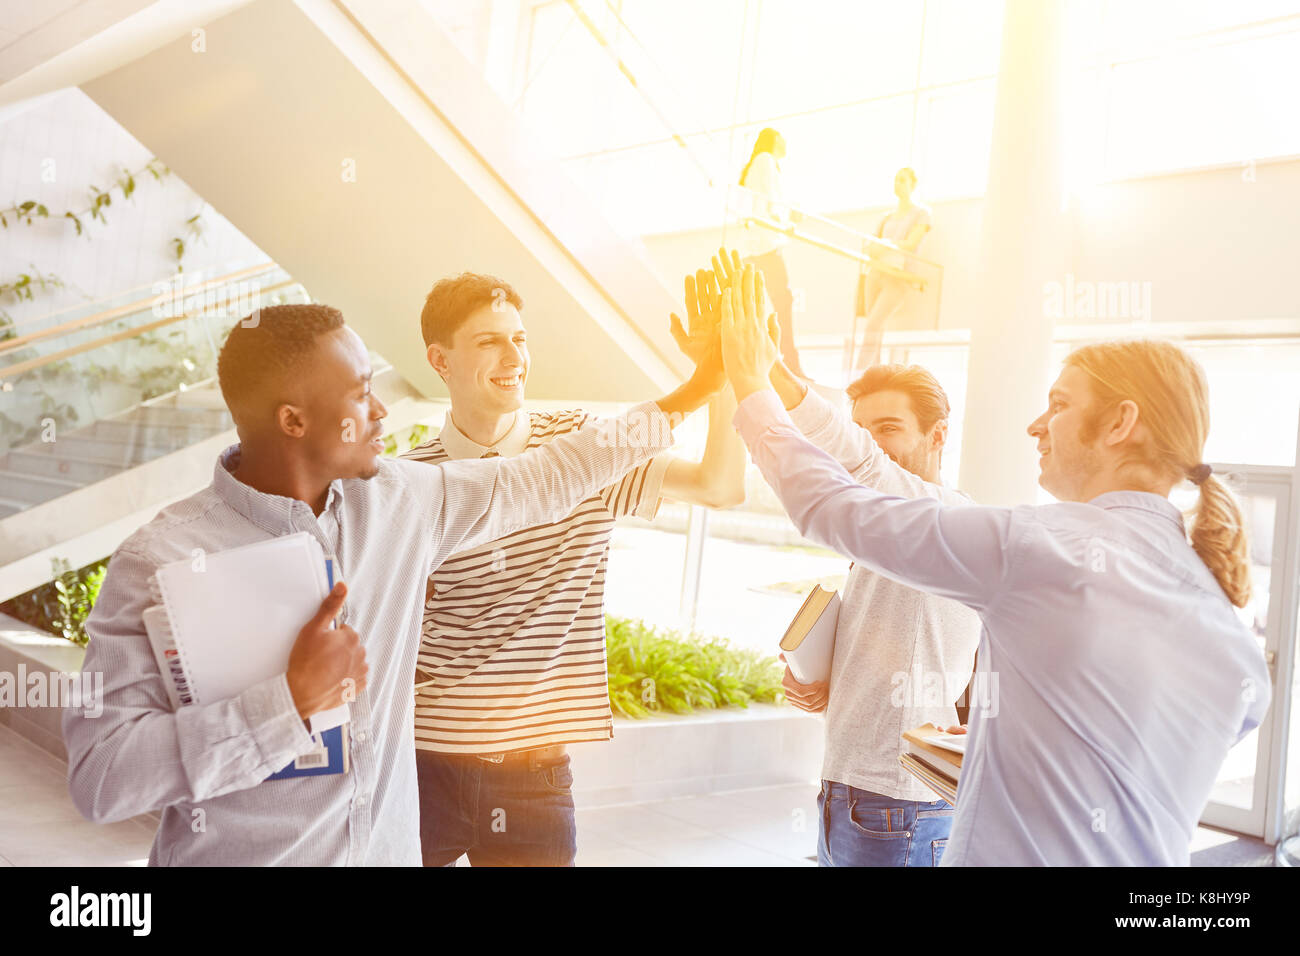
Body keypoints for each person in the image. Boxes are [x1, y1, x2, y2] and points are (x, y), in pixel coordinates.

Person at [62, 302, 724, 866]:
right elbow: (103, 778)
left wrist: (699, 387)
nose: (381, 409)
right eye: (358, 393)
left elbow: (552, 476)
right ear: (293, 420)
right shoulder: (161, 561)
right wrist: (288, 704)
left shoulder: (404, 502)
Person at [718, 276, 1272, 866]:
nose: (1036, 426)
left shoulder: (1036, 548)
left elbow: (835, 506)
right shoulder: (1235, 652)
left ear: (1118, 424)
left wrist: (751, 385)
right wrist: (998, 744)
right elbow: (1108, 765)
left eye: (1059, 405)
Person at [403, 266, 747, 866]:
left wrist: (721, 375)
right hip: (420, 761)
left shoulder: (584, 448)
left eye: (520, 337)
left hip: (533, 777)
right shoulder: (412, 479)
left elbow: (720, 486)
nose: (514, 355)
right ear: (440, 360)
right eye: (489, 341)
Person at [763, 357, 980, 867]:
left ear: (938, 435)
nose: (865, 444)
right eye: (857, 430)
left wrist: (765, 367)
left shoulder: (944, 519)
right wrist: (824, 680)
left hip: (897, 800)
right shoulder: (882, 533)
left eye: (888, 428)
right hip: (852, 788)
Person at [739, 128, 808, 378]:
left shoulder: (757, 163)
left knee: (765, 304)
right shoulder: (766, 160)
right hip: (766, 245)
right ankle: (789, 363)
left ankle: (773, 362)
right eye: (783, 138)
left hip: (755, 246)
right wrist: (786, 221)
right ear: (774, 140)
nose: (786, 142)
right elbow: (771, 199)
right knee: (783, 302)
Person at [852, 167, 932, 371]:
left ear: (913, 185)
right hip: (876, 273)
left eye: (903, 180)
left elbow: (912, 243)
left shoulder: (921, 213)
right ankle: (875, 373)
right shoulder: (885, 217)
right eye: (896, 180)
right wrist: (882, 246)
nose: (898, 184)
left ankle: (857, 374)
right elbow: (870, 245)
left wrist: (885, 244)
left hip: (897, 278)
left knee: (872, 326)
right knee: (875, 329)